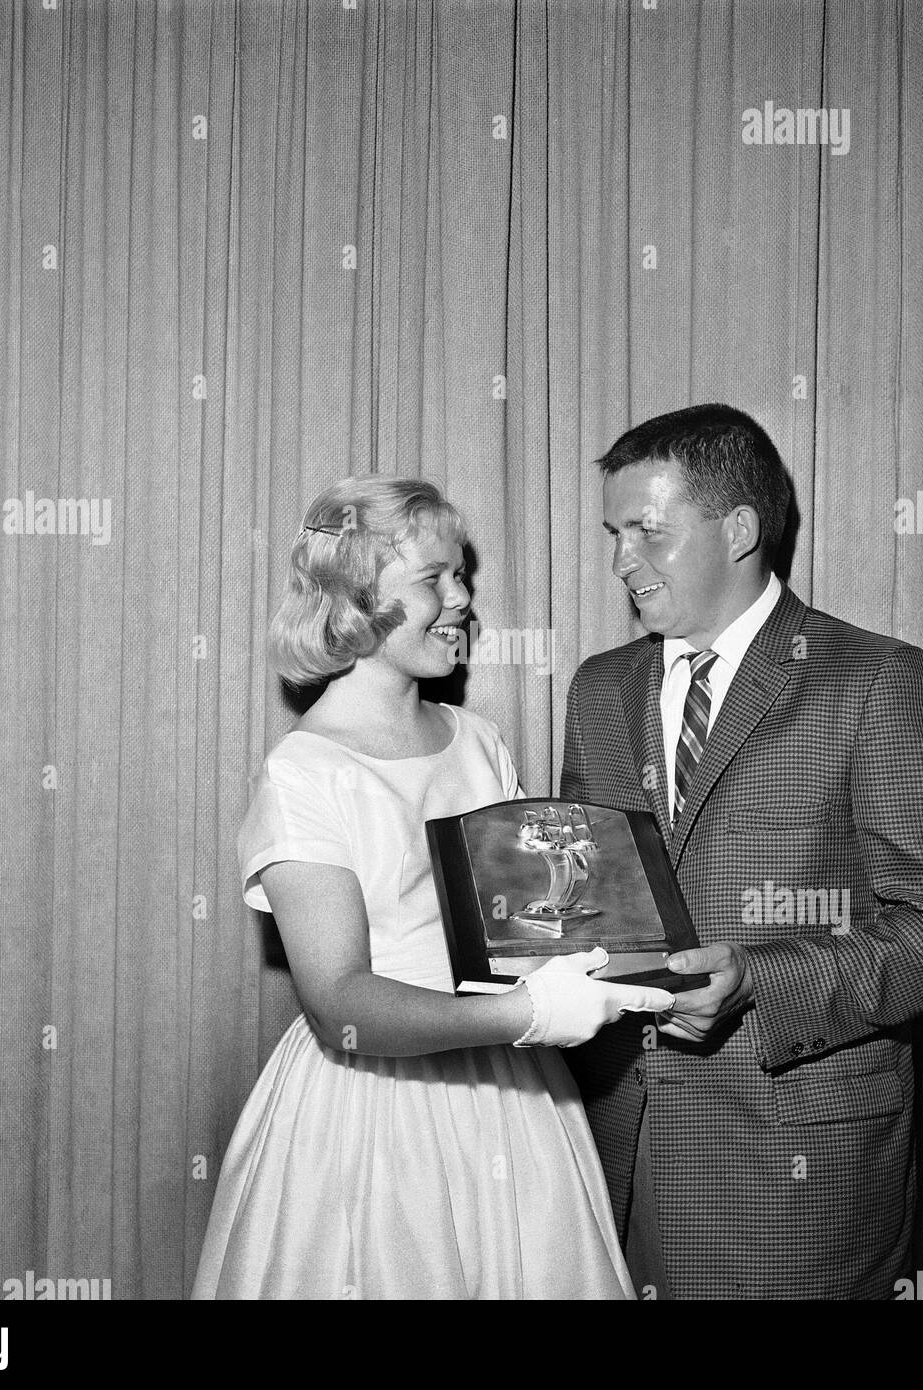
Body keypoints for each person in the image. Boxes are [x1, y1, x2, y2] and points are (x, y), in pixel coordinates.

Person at [561, 404, 923, 1299]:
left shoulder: (878, 681)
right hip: (611, 1151)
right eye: (613, 533)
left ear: (739, 529)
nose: (619, 560)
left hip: (798, 1175)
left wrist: (763, 978)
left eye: (646, 530)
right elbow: (589, 899)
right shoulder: (599, 689)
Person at [192, 475, 673, 1300]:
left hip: (514, 1104)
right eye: (434, 580)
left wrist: (641, 972)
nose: (461, 601)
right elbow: (340, 1003)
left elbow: (531, 927)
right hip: (373, 1115)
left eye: (463, 578)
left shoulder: (478, 742)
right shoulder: (305, 772)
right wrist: (528, 1017)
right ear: (357, 599)